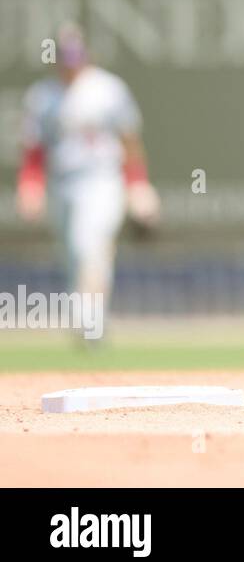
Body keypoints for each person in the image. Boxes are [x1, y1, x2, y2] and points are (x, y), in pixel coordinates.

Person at [16, 23, 160, 339]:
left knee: (88, 244)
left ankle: (90, 324)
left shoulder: (108, 90)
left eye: (75, 56)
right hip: (62, 182)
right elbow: (34, 150)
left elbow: (129, 141)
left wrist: (138, 184)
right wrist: (30, 184)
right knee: (70, 254)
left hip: (102, 180)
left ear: (85, 55)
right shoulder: (43, 97)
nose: (71, 63)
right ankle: (88, 324)